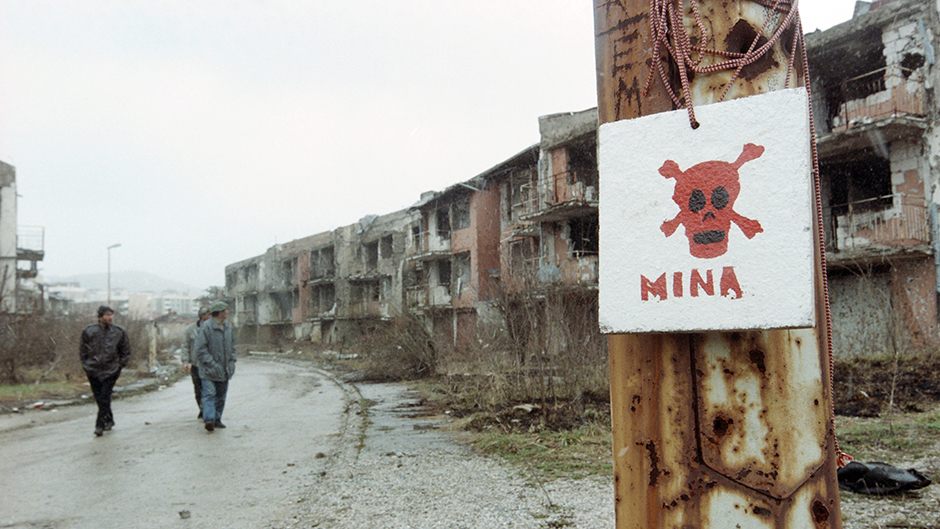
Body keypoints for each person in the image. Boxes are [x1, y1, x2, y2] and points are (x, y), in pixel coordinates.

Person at [79, 305, 131, 437]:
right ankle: (109, 419)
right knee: (100, 398)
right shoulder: (89, 331)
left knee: (104, 396)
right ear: (100, 316)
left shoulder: (119, 331)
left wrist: (119, 366)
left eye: (111, 315)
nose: (110, 318)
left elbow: (125, 351)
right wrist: (86, 365)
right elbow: (83, 351)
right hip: (93, 370)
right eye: (107, 315)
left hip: (111, 370)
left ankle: (99, 425)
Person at [194, 301, 236, 432]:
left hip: (224, 369)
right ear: (219, 312)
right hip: (208, 370)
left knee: (221, 396)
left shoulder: (228, 327)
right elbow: (200, 349)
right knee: (209, 394)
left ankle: (217, 419)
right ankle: (209, 419)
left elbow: (232, 346)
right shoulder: (206, 327)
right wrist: (211, 363)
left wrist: (232, 361)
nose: (227, 312)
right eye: (225, 310)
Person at [180, 305, 211, 419]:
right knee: (198, 389)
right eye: (209, 314)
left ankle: (209, 411)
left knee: (210, 389)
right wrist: (185, 361)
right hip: (196, 365)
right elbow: (185, 345)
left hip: (209, 364)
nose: (211, 316)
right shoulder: (191, 329)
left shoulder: (213, 328)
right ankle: (202, 409)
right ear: (203, 316)